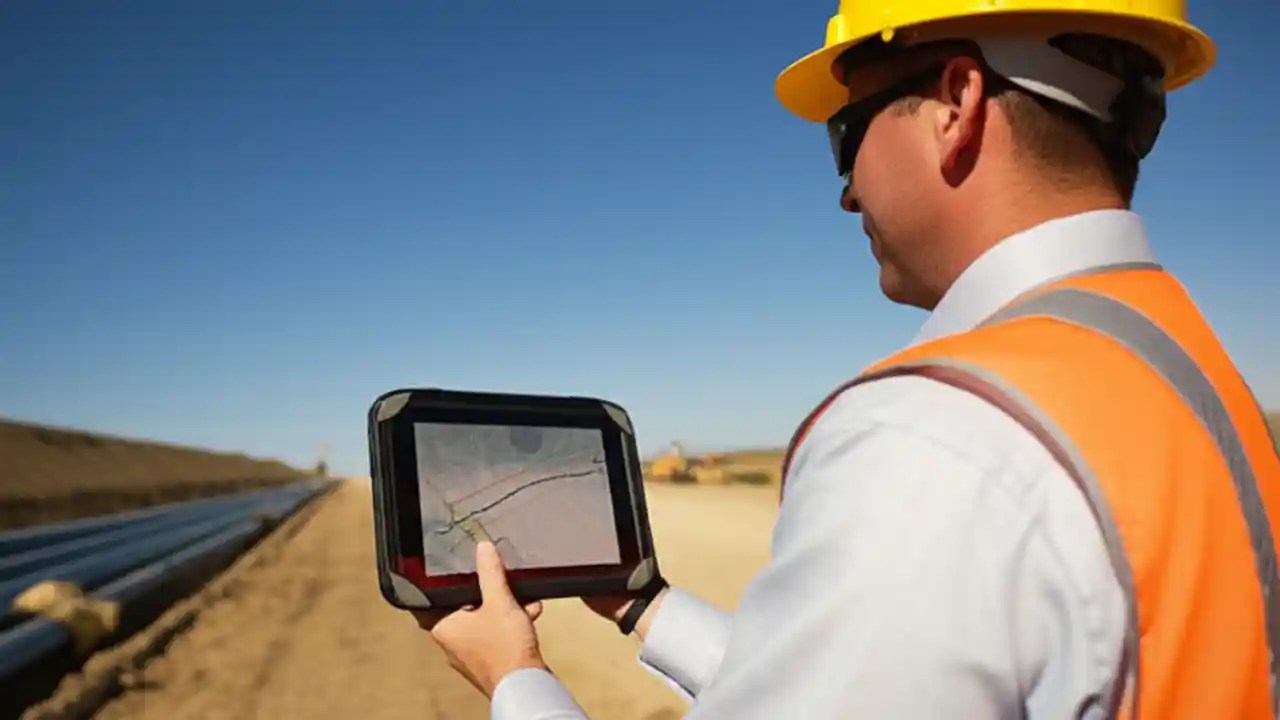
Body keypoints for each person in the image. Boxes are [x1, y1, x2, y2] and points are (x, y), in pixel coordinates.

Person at [415, 1, 1280, 717]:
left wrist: (515, 677)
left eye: (845, 132)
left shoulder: (938, 431)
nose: (845, 191)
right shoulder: (1192, 374)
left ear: (957, 101)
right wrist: (649, 609)